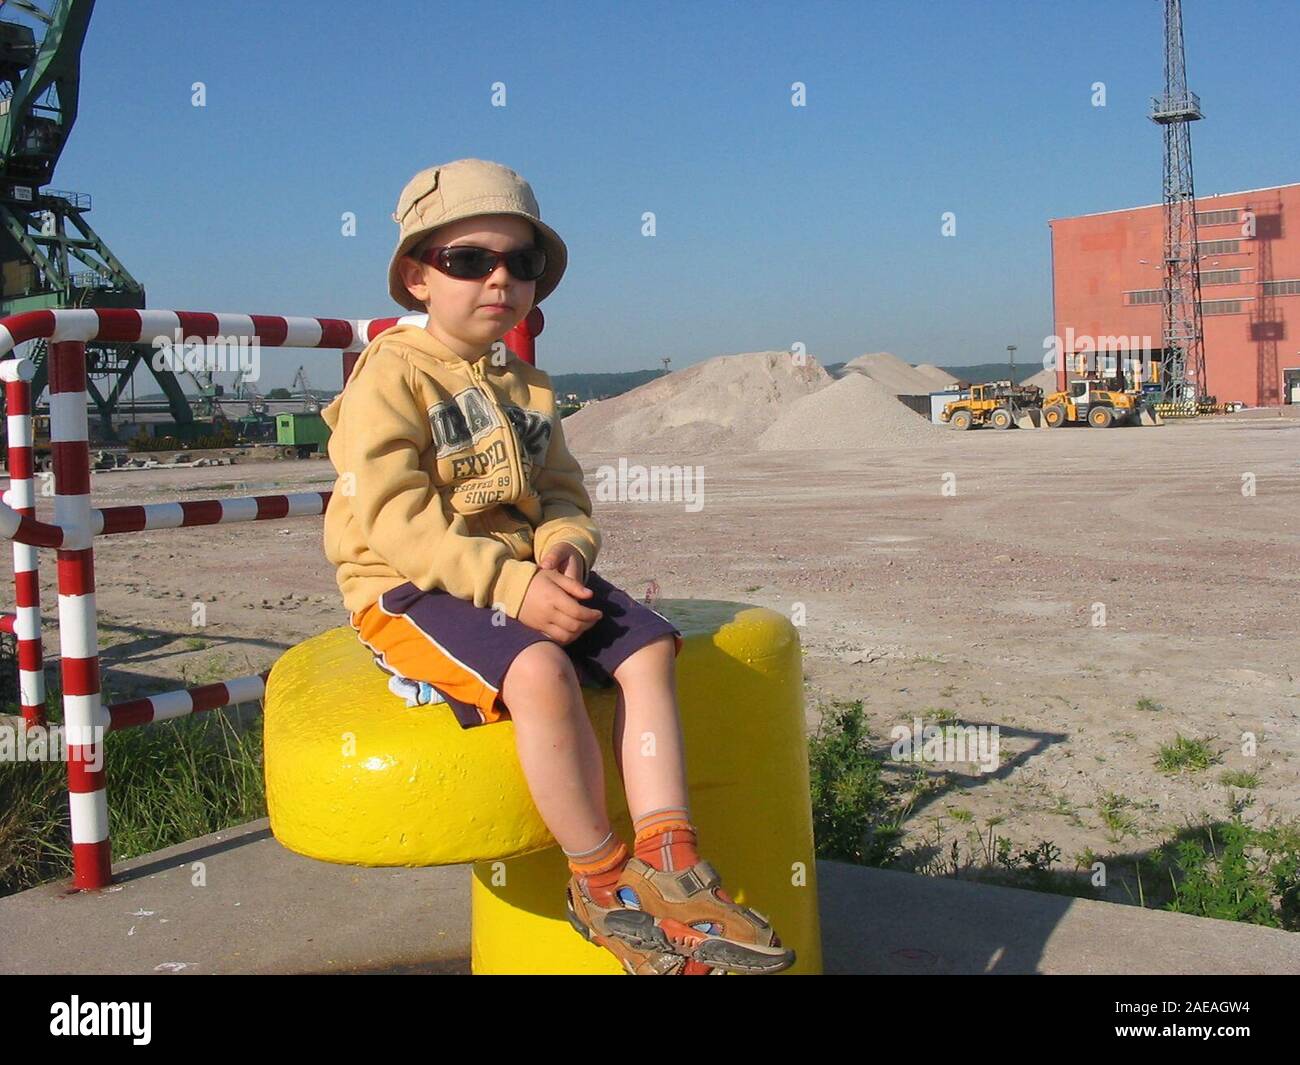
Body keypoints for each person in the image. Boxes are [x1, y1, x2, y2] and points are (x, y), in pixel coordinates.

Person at [320, 159, 793, 976]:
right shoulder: (390, 376)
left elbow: (563, 492)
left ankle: (672, 863)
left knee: (648, 647)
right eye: (470, 259)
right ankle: (600, 881)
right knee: (540, 670)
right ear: (416, 277)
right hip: (406, 585)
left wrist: (564, 549)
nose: (499, 278)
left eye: (522, 262)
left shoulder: (527, 386)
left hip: (519, 570)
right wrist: (514, 590)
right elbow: (393, 516)